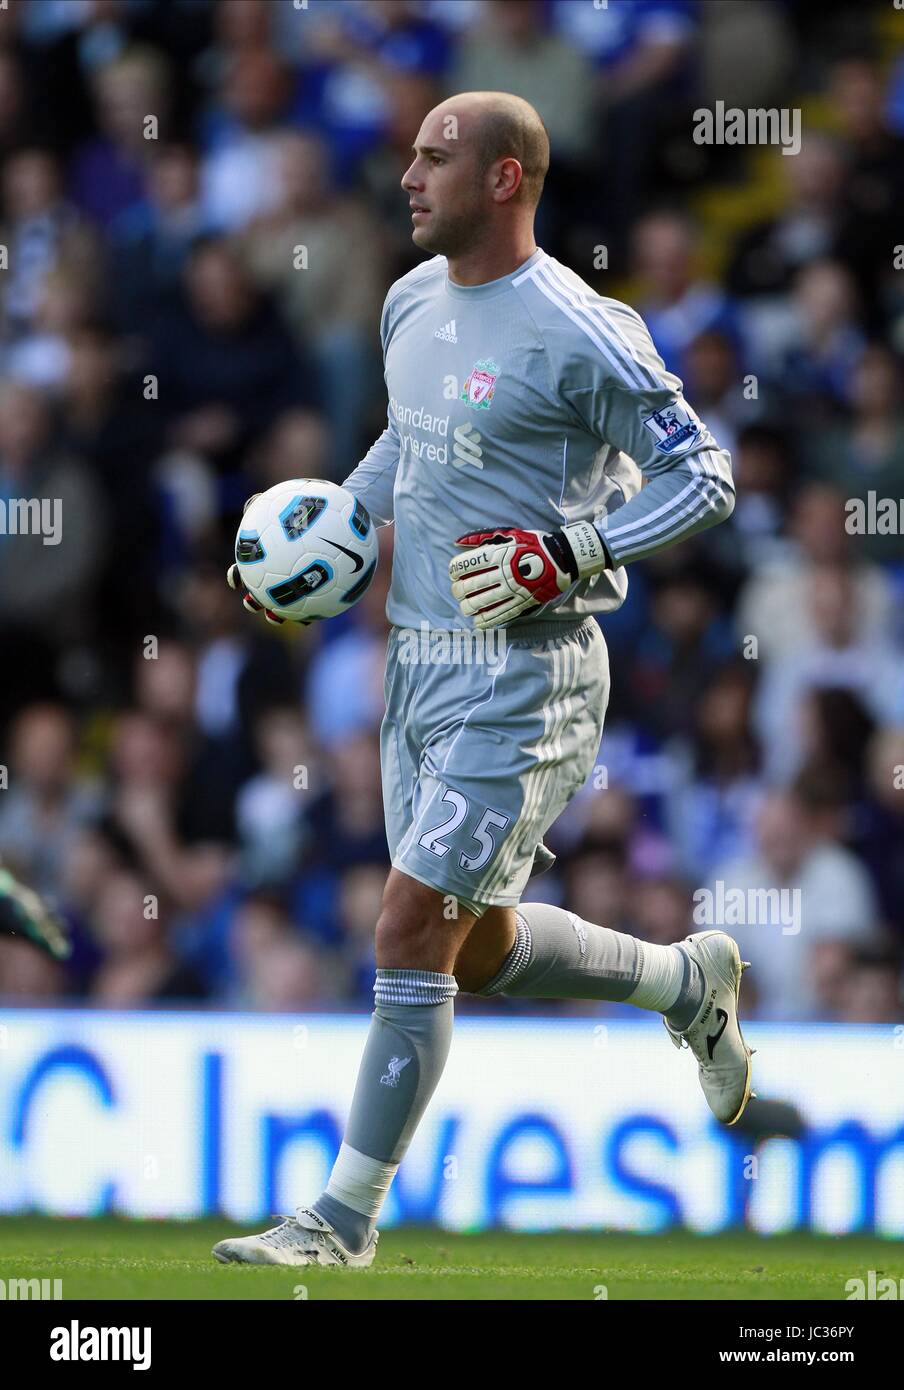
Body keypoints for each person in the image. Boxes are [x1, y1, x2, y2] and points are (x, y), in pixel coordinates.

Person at [214, 91, 746, 1270]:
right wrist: (333, 529)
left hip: (529, 673)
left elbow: (705, 471)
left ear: (504, 180)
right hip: (417, 664)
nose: (407, 174)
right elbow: (413, 435)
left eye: (434, 156)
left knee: (405, 926)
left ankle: (340, 1220)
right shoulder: (409, 300)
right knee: (483, 949)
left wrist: (575, 549)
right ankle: (684, 983)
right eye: (409, 154)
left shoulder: (578, 326)